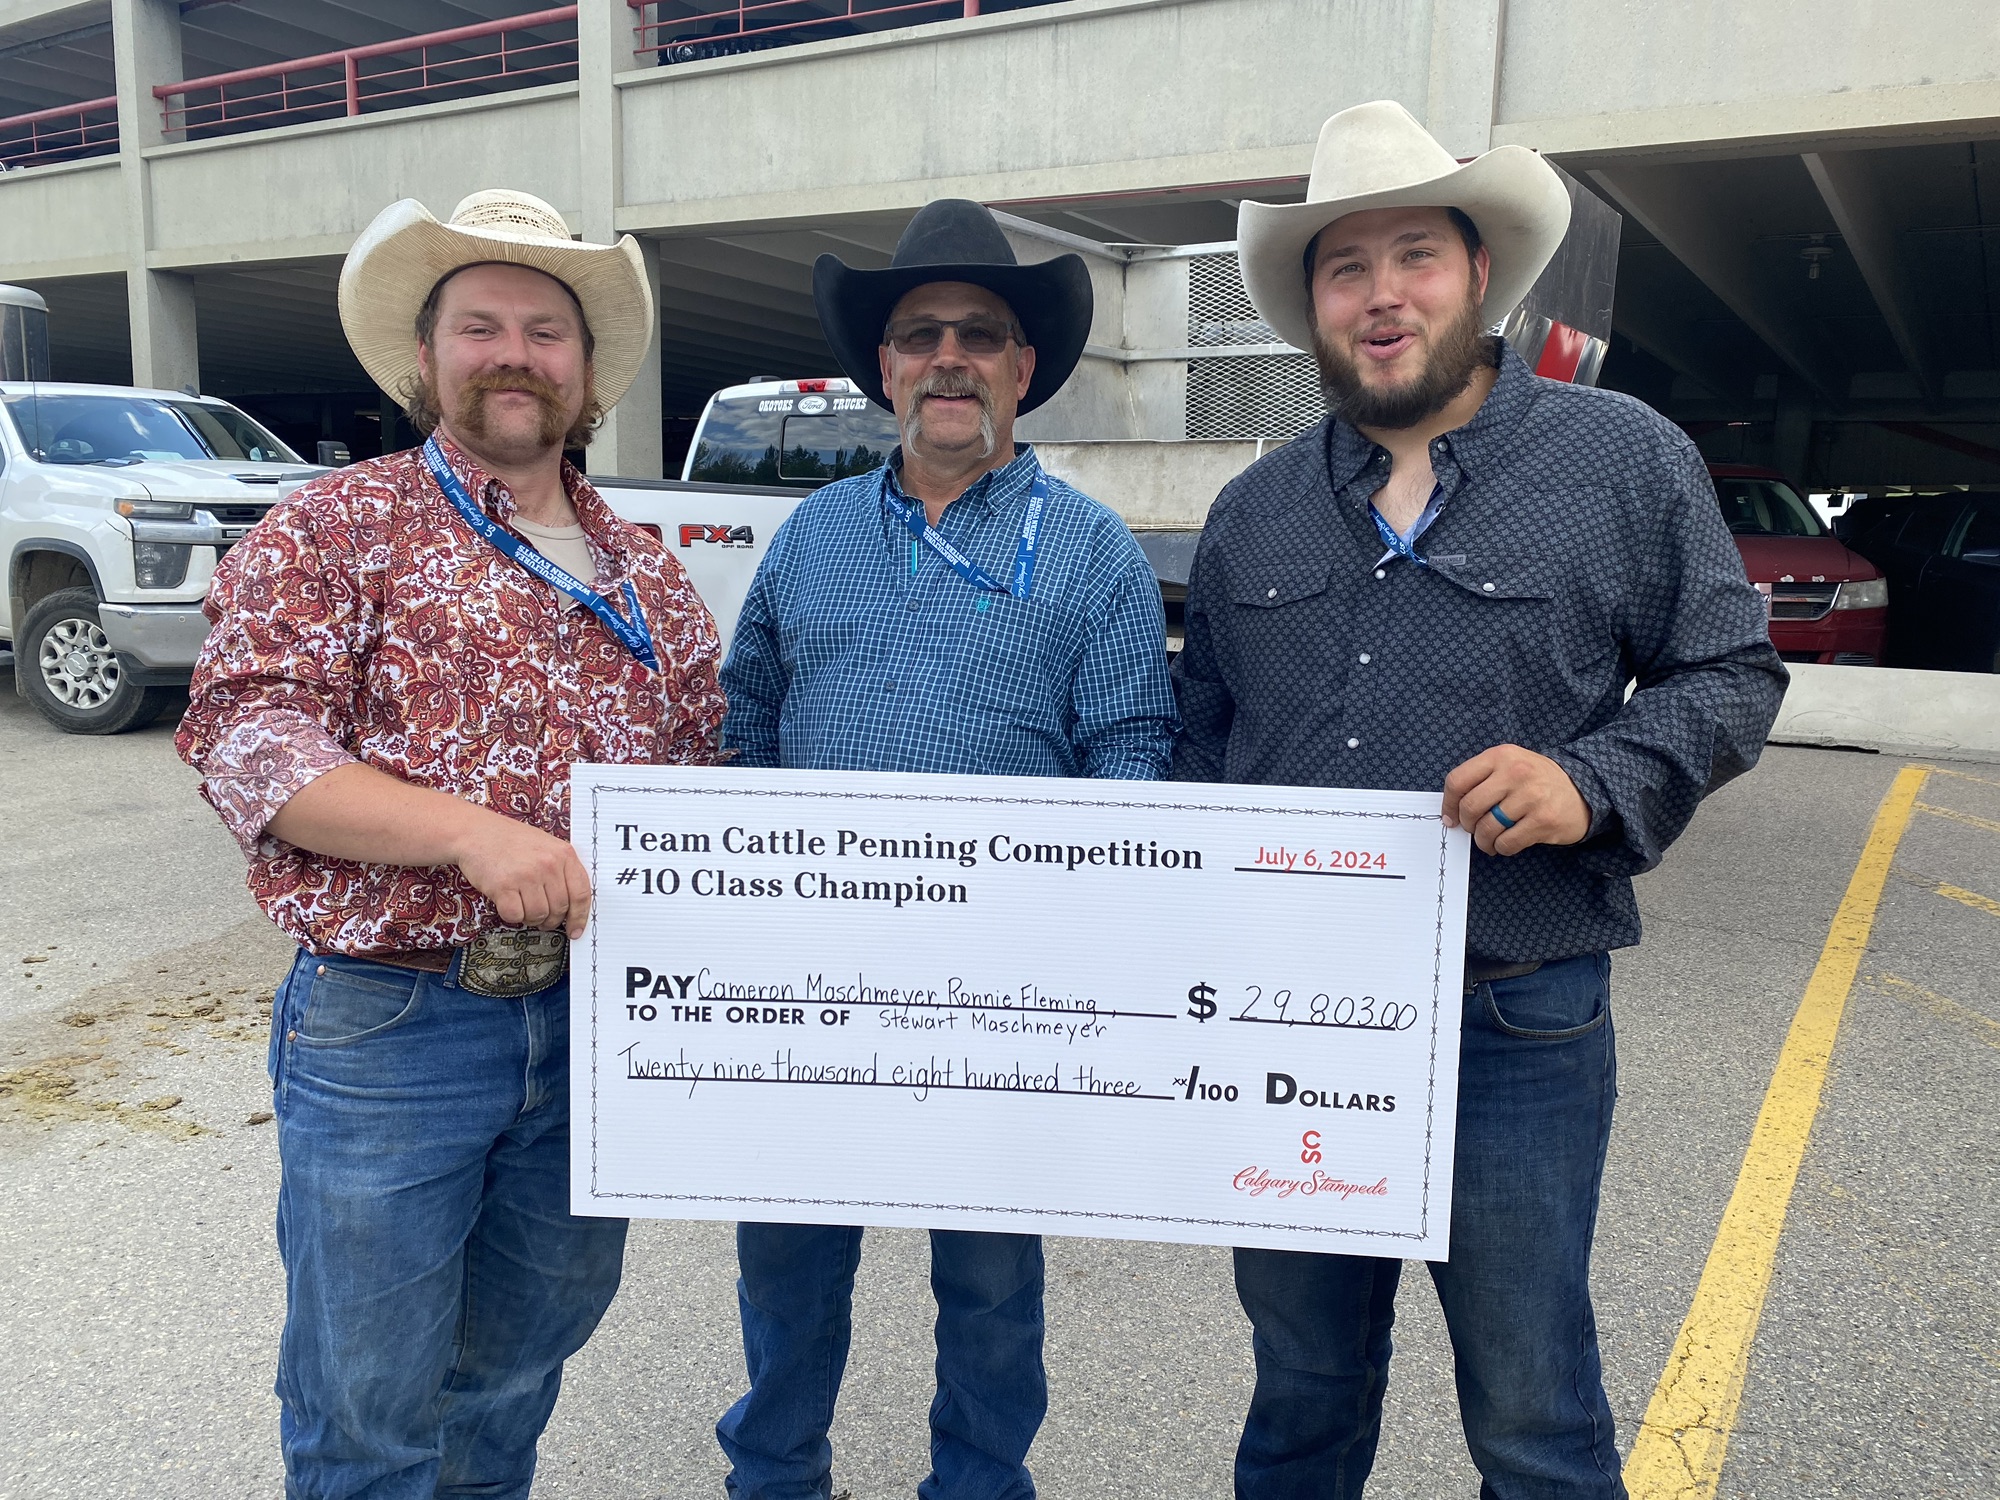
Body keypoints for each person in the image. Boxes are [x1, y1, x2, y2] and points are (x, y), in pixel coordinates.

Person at [1171, 102, 1788, 1499]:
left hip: (1517, 1014)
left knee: (1530, 1407)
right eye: (1346, 268)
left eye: (1416, 256)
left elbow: (1730, 672)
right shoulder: (1254, 513)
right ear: (1313, 307)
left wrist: (1591, 779)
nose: (1383, 295)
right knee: (1302, 1388)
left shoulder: (1622, 460)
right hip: (1292, 1022)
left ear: (1479, 274)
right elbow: (1203, 749)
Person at [176, 189, 727, 1499]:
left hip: (594, 1028)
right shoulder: (332, 528)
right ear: (425, 358)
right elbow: (247, 739)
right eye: (480, 326)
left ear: (583, 370)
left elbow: (705, 786)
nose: (513, 354)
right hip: (395, 1027)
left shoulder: (650, 575)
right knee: (367, 1402)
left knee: (518, 1369)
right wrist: (473, 837)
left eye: (546, 330)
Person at [716, 197, 1179, 1500]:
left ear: (1024, 368)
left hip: (1002, 994)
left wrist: (1075, 935)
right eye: (922, 335)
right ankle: (775, 1479)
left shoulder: (1091, 551)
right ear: (886, 367)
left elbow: (1135, 750)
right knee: (788, 1267)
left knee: (988, 1285)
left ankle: (979, 1484)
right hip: (811, 987)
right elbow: (747, 719)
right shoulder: (811, 538)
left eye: (981, 334)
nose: (950, 357)